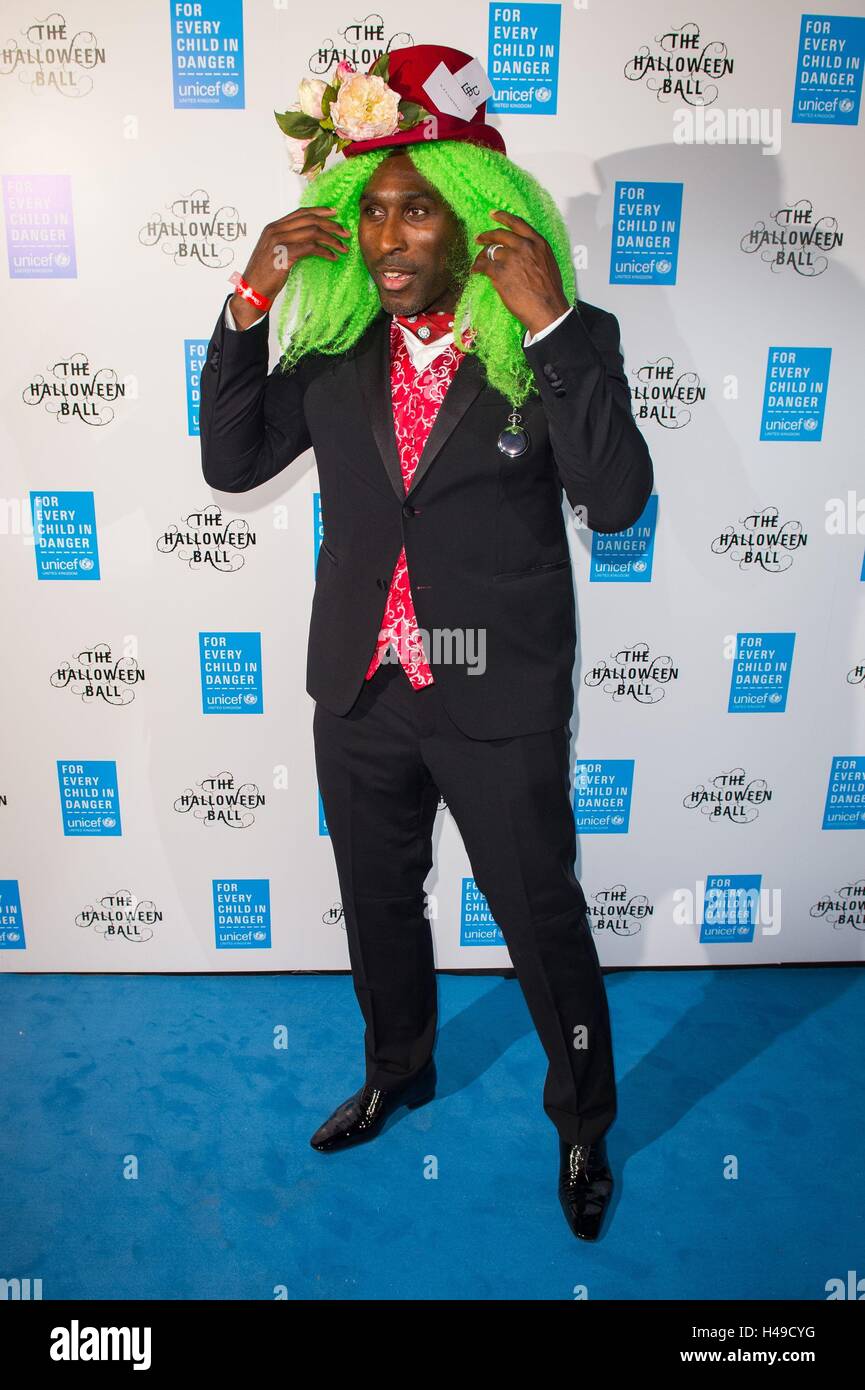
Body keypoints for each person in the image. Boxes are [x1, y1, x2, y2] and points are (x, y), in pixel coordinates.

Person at [199, 43, 653, 1241]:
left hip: (492, 689)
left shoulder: (556, 342)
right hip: (359, 688)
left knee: (539, 916)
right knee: (377, 901)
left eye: (417, 212)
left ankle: (582, 1124)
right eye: (374, 212)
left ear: (477, 227)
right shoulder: (334, 356)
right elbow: (231, 461)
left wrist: (549, 321)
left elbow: (615, 502)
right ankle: (398, 1067)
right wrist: (248, 303)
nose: (389, 238)